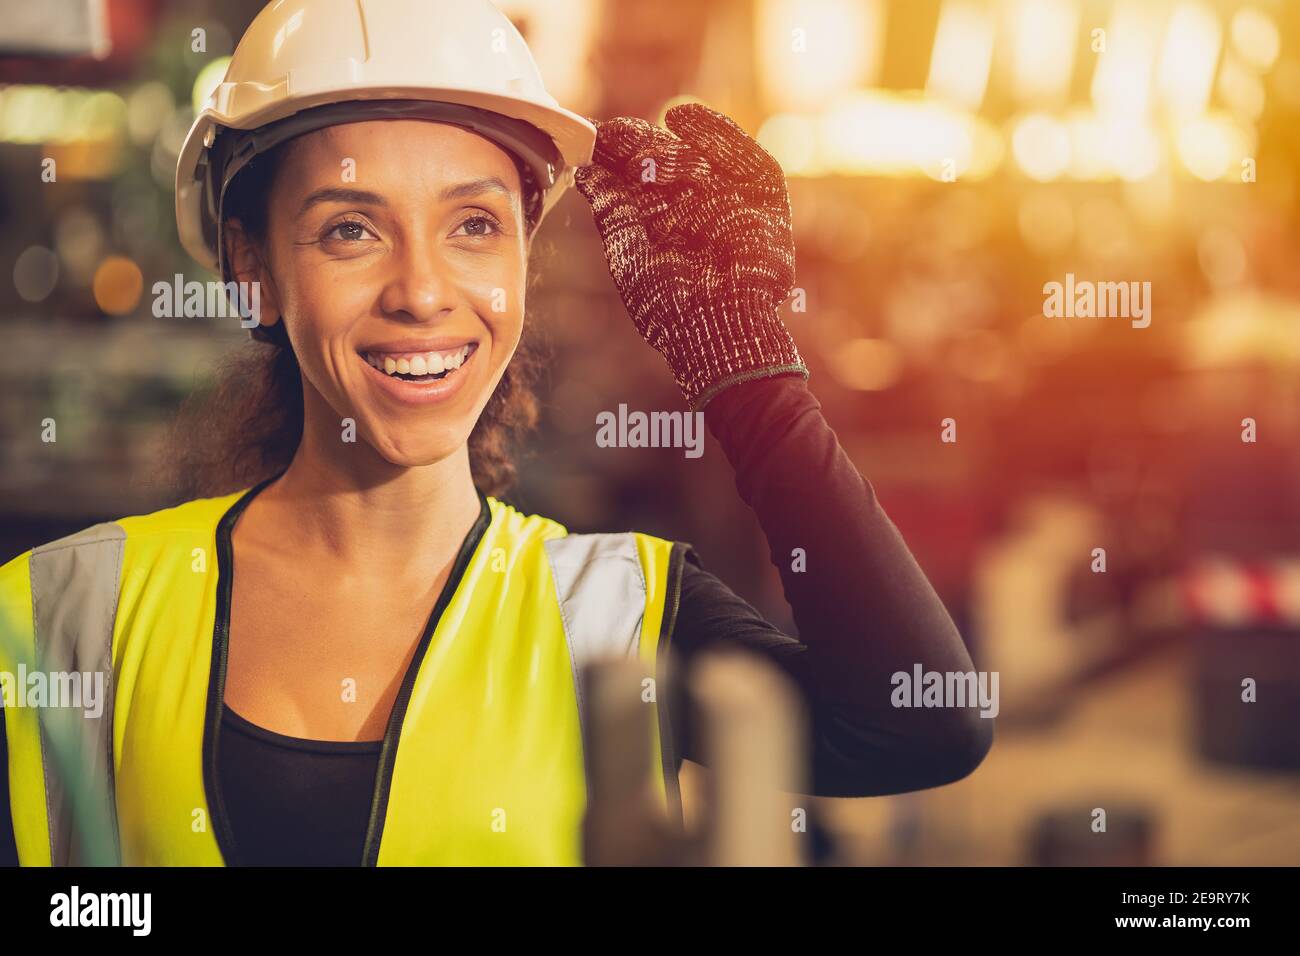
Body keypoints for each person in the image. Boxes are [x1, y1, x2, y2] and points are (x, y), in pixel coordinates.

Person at [0, 0, 991, 867]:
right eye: (351, 227)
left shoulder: (611, 615)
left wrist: (747, 371)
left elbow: (925, 718)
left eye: (473, 225)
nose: (424, 291)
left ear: (523, 254)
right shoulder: (68, 610)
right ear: (250, 265)